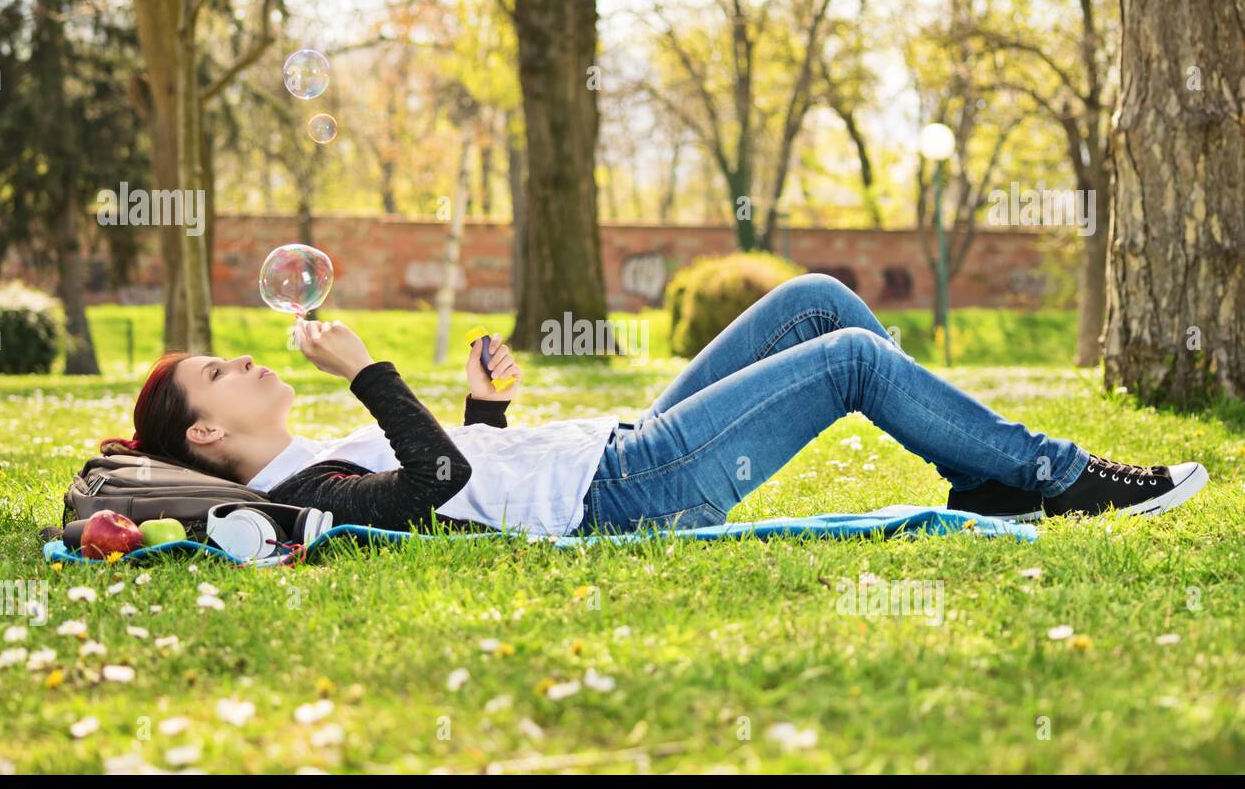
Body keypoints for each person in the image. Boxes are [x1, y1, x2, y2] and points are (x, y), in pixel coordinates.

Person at [102, 274, 1209, 536]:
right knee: (851, 361)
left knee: (817, 303)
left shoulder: (310, 454)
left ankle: (982, 477)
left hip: (620, 443)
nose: (245, 365)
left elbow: (463, 485)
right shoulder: (300, 491)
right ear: (207, 434)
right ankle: (1060, 478)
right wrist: (367, 370)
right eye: (220, 372)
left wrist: (484, 409)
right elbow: (425, 485)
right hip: (633, 492)